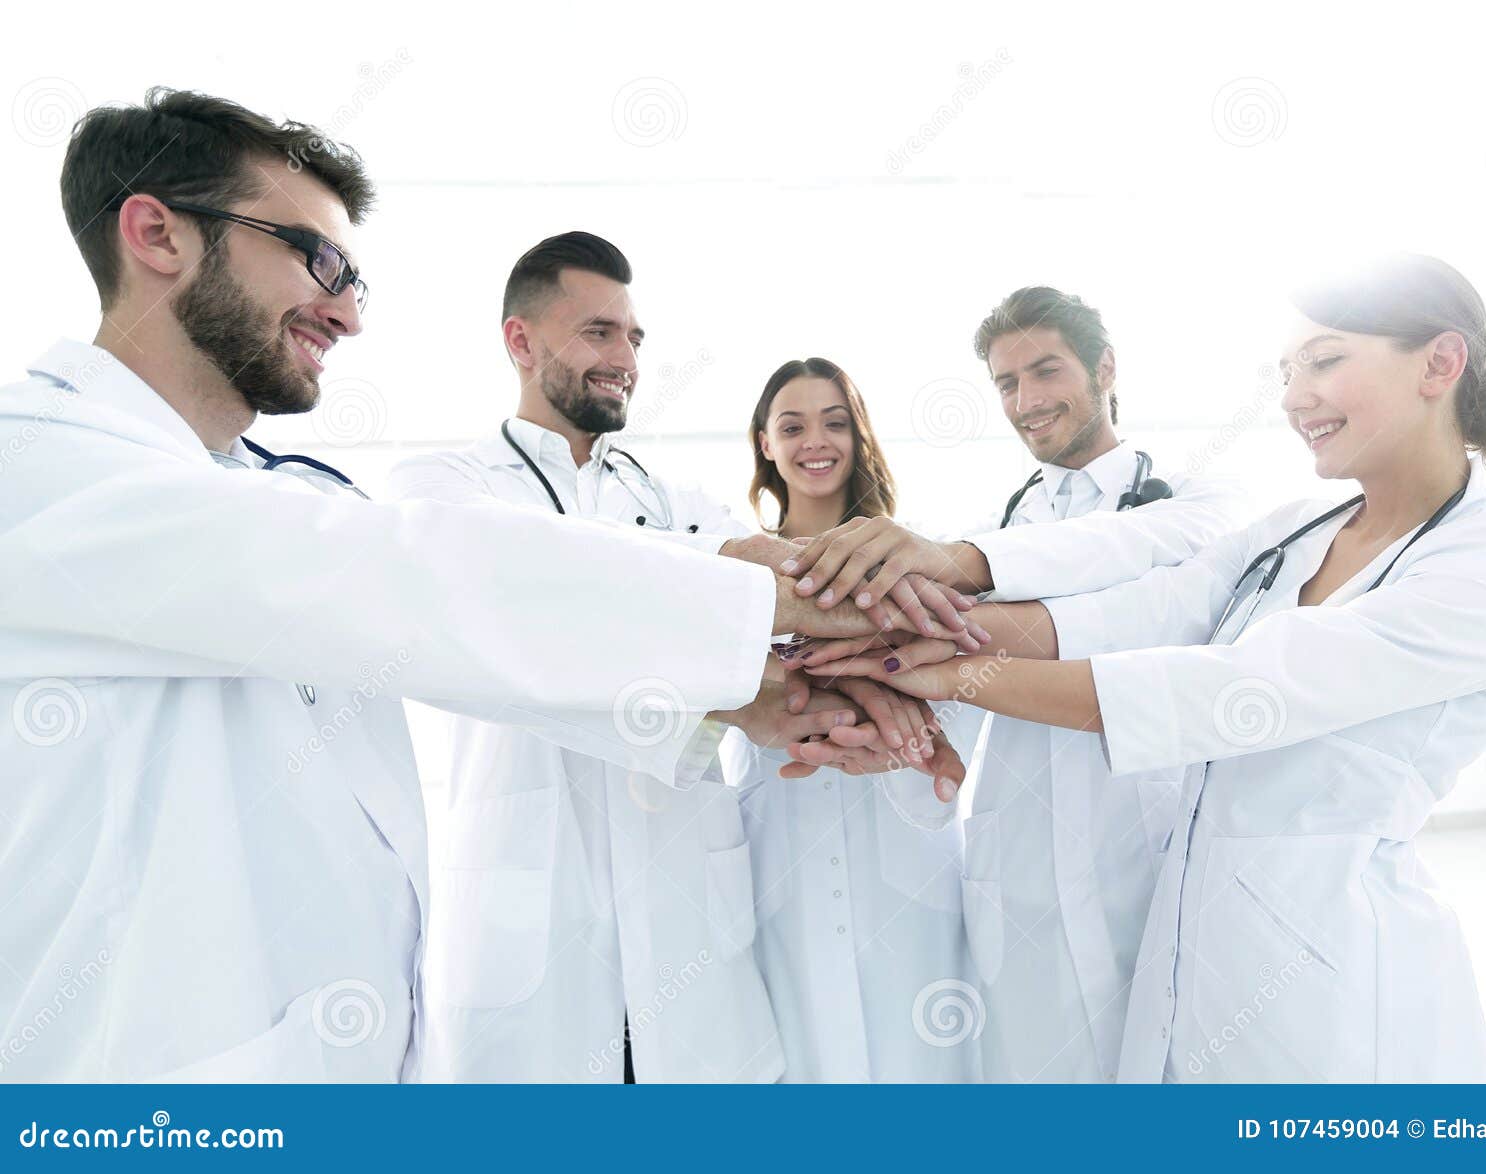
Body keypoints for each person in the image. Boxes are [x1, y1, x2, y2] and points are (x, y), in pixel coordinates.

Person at [0, 90, 917, 1082]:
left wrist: (756, 704)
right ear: (157, 235)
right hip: (138, 1085)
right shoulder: (39, 470)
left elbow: (476, 643)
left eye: (355, 278)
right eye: (317, 258)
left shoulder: (263, 489)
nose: (347, 311)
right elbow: (427, 579)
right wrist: (763, 586)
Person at [808, 254, 1486, 1082]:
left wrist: (950, 669)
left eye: (1326, 361)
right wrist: (925, 640)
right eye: (1286, 372)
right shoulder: (1301, 526)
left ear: (1440, 364)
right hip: (1195, 936)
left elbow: (1232, 690)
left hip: (1339, 966)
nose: (1292, 397)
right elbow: (1145, 609)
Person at [386, 236, 969, 1081]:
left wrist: (900, 643)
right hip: (533, 924)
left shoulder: (670, 502)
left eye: (633, 337)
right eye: (598, 332)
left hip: (686, 928)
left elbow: (775, 578)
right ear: (520, 342)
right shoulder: (442, 487)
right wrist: (727, 673)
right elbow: (522, 617)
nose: (624, 358)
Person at [779, 288, 1246, 1081]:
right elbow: (964, 684)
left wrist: (958, 569)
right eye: (1005, 383)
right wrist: (903, 735)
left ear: (1103, 368)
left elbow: (1114, 583)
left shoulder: (1193, 500)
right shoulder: (1006, 520)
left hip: (1142, 847)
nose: (1026, 401)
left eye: (1045, 371)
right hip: (1020, 863)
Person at [722, 357, 982, 1082]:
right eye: (793, 425)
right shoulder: (731, 578)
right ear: (765, 444)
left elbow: (969, 690)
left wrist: (903, 708)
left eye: (835, 422)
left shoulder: (922, 563)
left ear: (859, 436)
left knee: (922, 1065)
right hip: (782, 851)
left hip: (905, 848)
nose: (816, 441)